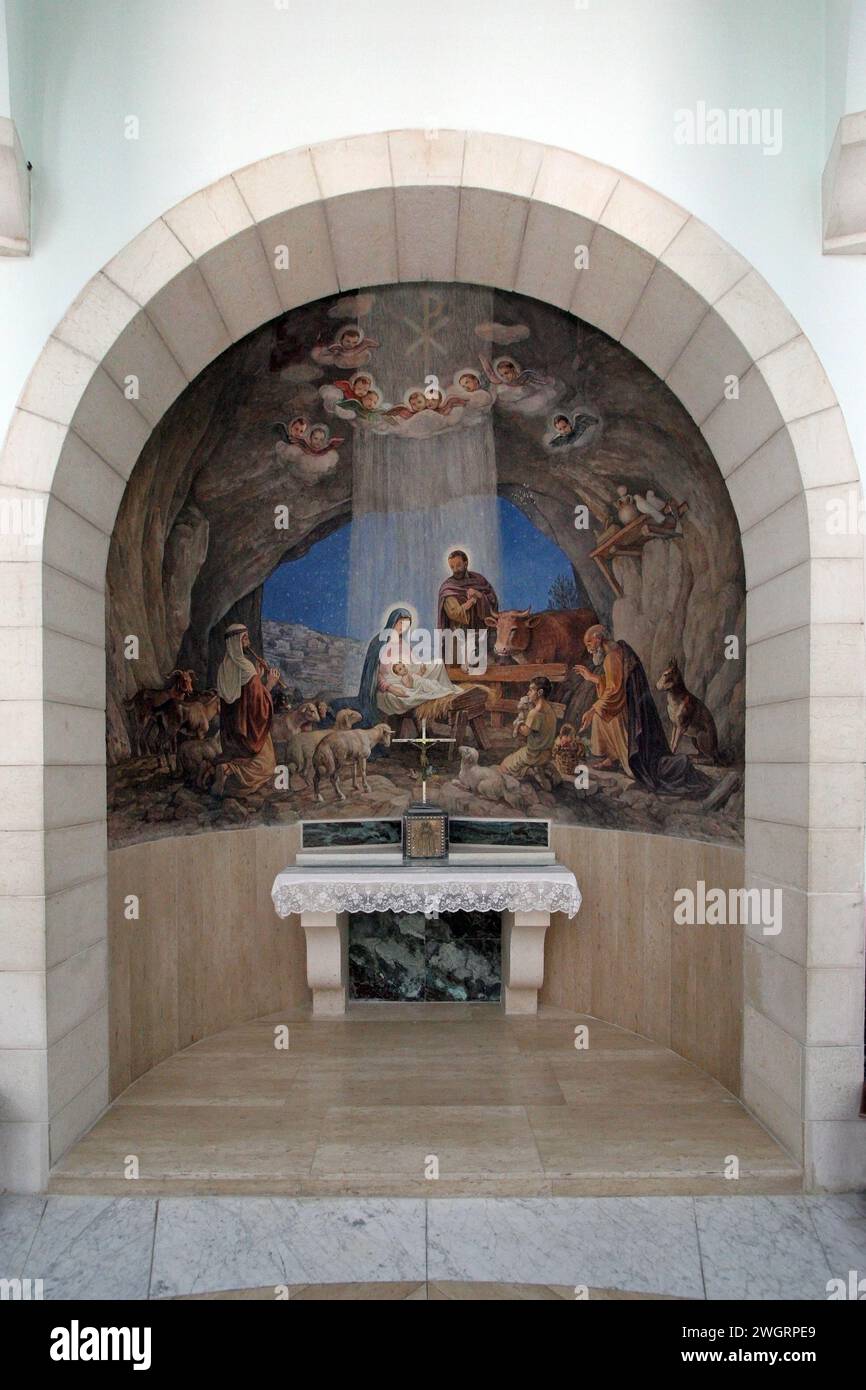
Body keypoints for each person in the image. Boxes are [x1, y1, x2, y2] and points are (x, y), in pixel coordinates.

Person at [574, 624, 708, 794]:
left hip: (628, 712)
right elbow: (616, 685)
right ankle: (614, 757)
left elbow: (614, 691)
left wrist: (592, 710)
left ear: (598, 639)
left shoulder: (611, 658)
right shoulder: (620, 647)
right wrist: (593, 678)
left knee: (600, 713)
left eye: (589, 644)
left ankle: (623, 759)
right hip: (632, 706)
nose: (589, 649)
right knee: (601, 710)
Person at [211, 623, 282, 798]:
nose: (249, 642)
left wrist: (257, 676)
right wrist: (270, 683)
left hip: (232, 734)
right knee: (267, 765)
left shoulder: (224, 667)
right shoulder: (246, 667)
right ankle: (230, 769)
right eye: (246, 638)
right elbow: (258, 706)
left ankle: (228, 766)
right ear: (238, 641)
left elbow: (239, 699)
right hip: (249, 730)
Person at [499, 675, 557, 776]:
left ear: (540, 692)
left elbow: (525, 732)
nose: (528, 693)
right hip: (547, 754)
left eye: (531, 690)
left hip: (533, 755)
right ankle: (538, 770)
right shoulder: (549, 710)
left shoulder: (534, 713)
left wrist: (518, 723)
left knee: (503, 767)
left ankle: (531, 772)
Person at [436, 549, 498, 637]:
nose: (455, 570)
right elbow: (454, 613)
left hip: (482, 634)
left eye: (458, 565)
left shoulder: (479, 580)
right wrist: (469, 603)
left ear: (466, 564)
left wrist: (479, 595)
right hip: (460, 636)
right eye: (452, 567)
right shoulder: (448, 587)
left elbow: (493, 601)